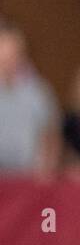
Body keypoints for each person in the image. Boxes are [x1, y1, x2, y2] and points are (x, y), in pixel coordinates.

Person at [0, 19, 58, 176]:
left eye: (15, 51)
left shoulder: (38, 91)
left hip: (29, 179)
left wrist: (46, 170)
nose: (9, 57)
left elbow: (51, 134)